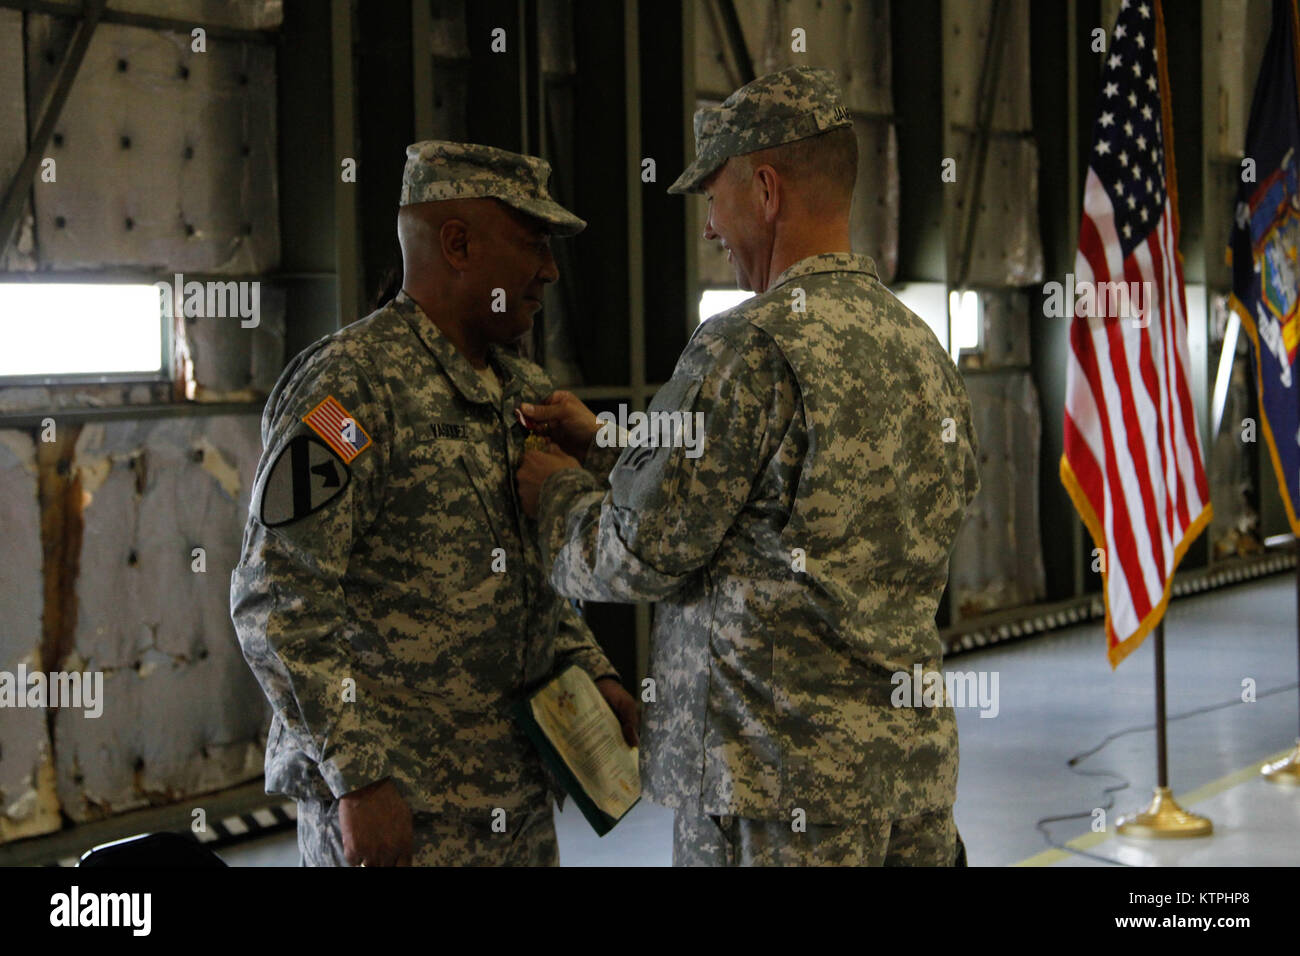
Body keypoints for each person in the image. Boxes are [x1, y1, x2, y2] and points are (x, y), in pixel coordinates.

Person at [515, 67, 981, 866]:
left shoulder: (748, 346)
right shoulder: (921, 347)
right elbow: (800, 495)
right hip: (908, 787)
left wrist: (555, 492)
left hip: (774, 798)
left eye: (714, 196)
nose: (709, 228)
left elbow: (637, 550)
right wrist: (612, 446)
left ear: (765, 191)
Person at [230, 141, 637, 867]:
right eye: (532, 243)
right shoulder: (350, 392)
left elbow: (528, 575)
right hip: (402, 814)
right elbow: (277, 596)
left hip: (513, 800)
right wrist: (359, 778)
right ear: (456, 243)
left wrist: (589, 666)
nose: (547, 270)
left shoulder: (518, 390)